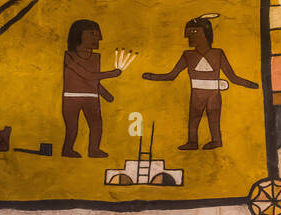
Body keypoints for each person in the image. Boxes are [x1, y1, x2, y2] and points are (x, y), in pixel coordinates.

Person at [141, 13, 257, 151]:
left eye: (194, 32)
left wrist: (250, 84)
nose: (189, 37)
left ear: (205, 34)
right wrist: (152, 77)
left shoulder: (217, 54)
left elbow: (233, 77)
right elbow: (172, 75)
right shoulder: (188, 55)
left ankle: (216, 140)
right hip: (197, 93)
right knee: (194, 118)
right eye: (189, 33)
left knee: (213, 118)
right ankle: (192, 142)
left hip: (213, 94)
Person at [62, 19, 121, 158]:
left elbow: (93, 81)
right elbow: (87, 76)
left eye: (98, 35)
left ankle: (94, 149)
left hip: (92, 97)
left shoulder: (95, 57)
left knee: (97, 126)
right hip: (72, 97)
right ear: (78, 35)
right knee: (72, 128)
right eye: (93, 34)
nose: (98, 38)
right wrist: (111, 74)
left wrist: (105, 94)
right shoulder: (70, 56)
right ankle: (67, 149)